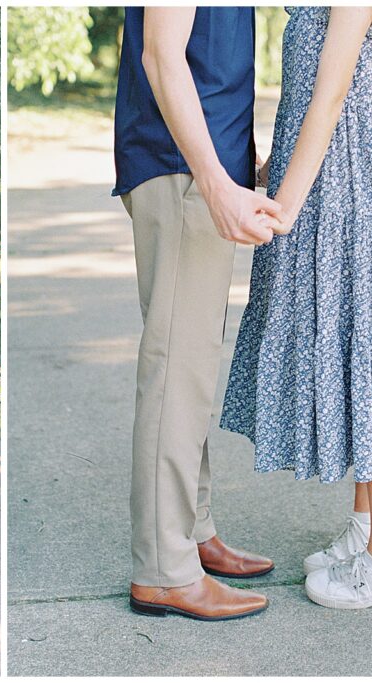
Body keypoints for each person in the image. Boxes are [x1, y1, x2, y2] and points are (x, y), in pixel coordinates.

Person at [221, 7, 372, 609]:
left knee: (371, 343)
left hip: (356, 178)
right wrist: (276, 166)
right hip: (338, 175)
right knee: (355, 341)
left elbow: (333, 89)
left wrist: (283, 204)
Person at [113, 7, 289, 620]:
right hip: (182, 173)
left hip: (202, 170)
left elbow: (211, 64)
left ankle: (193, 530)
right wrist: (214, 182)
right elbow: (161, 56)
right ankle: (164, 568)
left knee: (190, 372)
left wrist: (241, 168)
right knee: (175, 372)